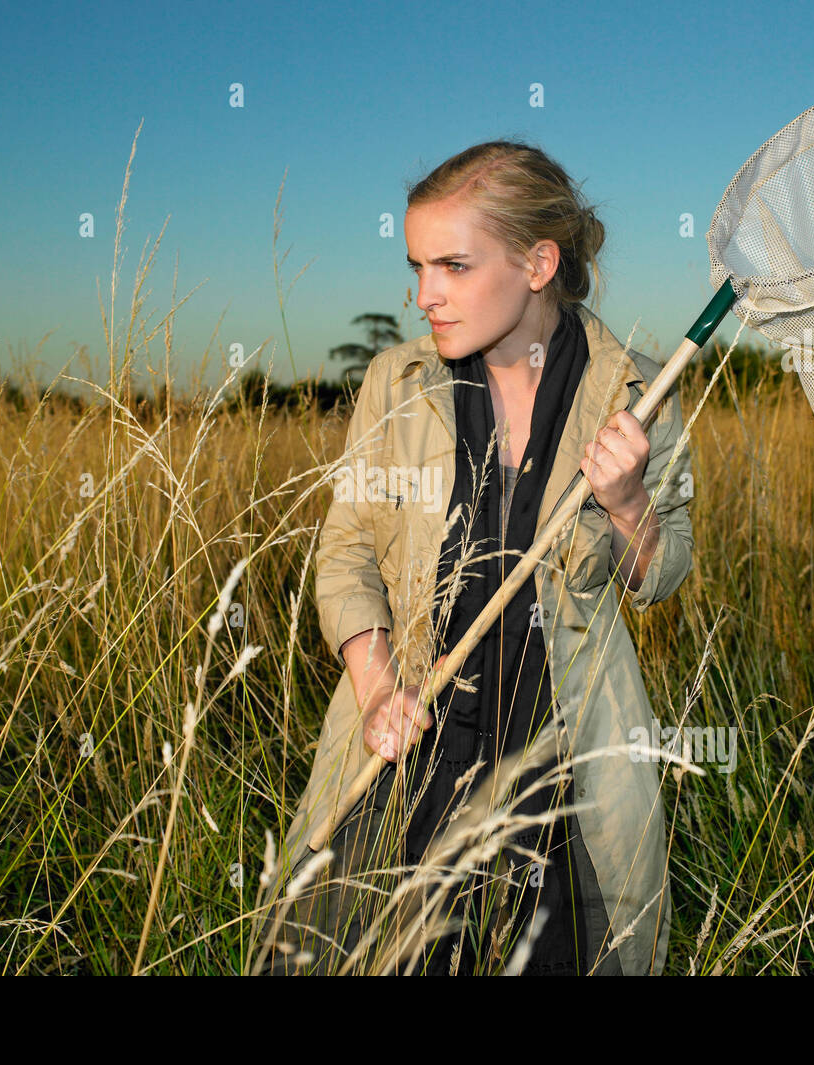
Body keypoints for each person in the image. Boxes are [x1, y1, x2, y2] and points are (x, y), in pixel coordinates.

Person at [253, 140, 695, 976]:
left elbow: (664, 576)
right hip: (406, 756)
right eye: (417, 266)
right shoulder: (396, 381)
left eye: (453, 265)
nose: (425, 295)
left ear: (538, 262)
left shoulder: (638, 392)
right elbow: (345, 551)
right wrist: (377, 684)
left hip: (559, 772)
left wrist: (630, 503)